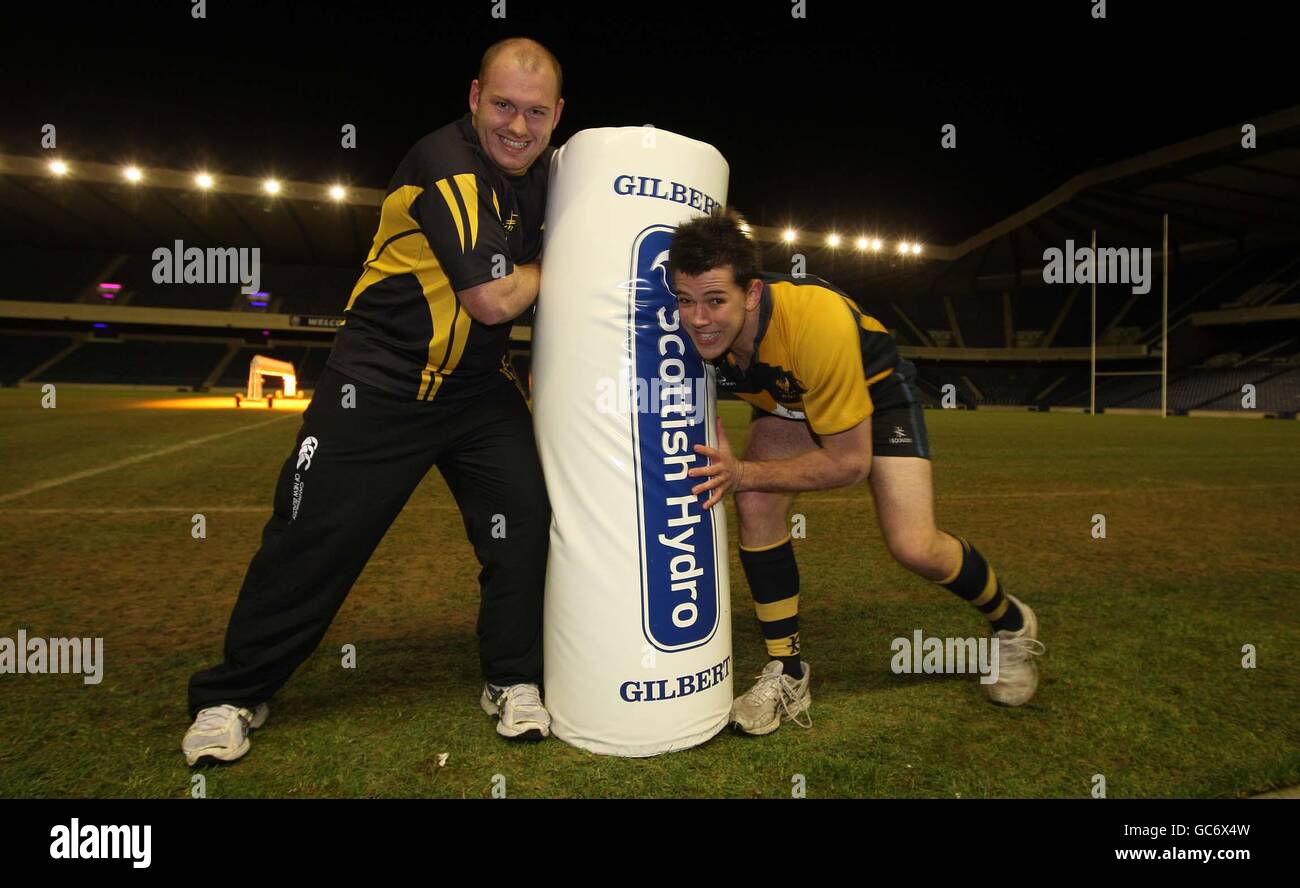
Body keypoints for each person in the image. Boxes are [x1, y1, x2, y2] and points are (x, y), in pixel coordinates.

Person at [183, 37, 565, 765]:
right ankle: (231, 694)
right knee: (312, 538)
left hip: (477, 391)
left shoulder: (549, 174)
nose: (519, 127)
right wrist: (555, 257)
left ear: (558, 115)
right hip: (380, 383)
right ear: (475, 96)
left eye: (536, 113)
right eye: (505, 106)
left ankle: (513, 679)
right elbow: (491, 300)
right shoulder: (446, 165)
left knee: (524, 521)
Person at [670, 208, 1045, 736]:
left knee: (914, 545)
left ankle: (1011, 623)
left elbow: (847, 464)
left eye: (715, 301)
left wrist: (743, 470)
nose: (698, 319)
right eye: (685, 300)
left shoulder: (812, 323)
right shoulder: (688, 321)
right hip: (788, 399)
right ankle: (788, 669)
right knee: (756, 504)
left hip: (874, 391)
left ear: (752, 293)